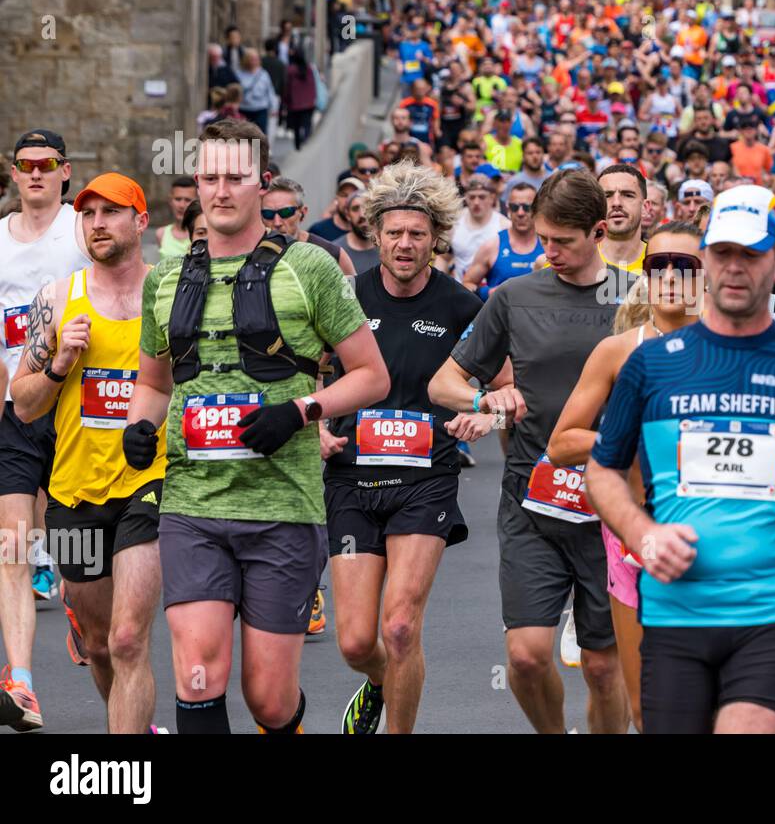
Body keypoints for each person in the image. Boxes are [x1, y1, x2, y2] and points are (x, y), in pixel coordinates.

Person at [123, 118, 389, 734]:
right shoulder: (164, 279)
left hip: (283, 508)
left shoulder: (310, 268)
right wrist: (141, 426)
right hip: (191, 505)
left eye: (235, 178)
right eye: (209, 177)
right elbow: (155, 384)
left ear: (261, 184)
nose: (220, 191)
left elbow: (370, 377)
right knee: (198, 675)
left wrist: (300, 411)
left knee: (268, 699)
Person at [585, 185, 775, 734]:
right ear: (706, 261)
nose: (734, 267)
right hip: (676, 607)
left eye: (751, 253)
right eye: (722, 252)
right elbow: (602, 469)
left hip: (774, 606)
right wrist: (640, 532)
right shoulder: (650, 363)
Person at [429, 168, 631, 734]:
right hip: (531, 498)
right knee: (525, 655)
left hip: (610, 502)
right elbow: (442, 382)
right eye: (543, 239)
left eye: (564, 242)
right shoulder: (513, 296)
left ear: (597, 231)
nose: (550, 252)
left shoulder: (632, 298)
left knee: (602, 666)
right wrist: (490, 396)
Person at [319, 161, 484, 733]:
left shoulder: (462, 306)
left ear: (436, 237)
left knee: (400, 628)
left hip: (425, 478)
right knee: (358, 640)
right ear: (376, 235)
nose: (406, 244)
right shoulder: (344, 296)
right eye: (395, 233)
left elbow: (503, 383)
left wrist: (480, 414)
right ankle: (380, 682)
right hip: (349, 477)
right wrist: (314, 422)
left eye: (417, 233)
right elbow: (305, 369)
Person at [10, 173, 166, 733]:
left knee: (128, 639)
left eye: (112, 212)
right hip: (74, 491)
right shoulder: (57, 301)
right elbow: (23, 406)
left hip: (149, 482)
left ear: (140, 222)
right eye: (89, 214)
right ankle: (132, 723)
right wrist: (56, 363)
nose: (98, 223)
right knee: (100, 646)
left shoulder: (167, 294)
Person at [546, 222, 705, 733]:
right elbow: (562, 441)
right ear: (645, 273)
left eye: (687, 265)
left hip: (719, 541)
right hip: (634, 543)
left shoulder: (736, 349)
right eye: (660, 265)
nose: (673, 276)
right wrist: (627, 438)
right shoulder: (618, 351)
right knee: (647, 709)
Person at [0, 129, 92, 730]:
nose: (36, 173)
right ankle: (21, 682)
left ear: (64, 172)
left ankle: (83, 606)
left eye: (47, 164)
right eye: (26, 165)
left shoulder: (83, 230)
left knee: (78, 553)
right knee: (10, 542)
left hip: (79, 410)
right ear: (13, 173)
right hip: (20, 409)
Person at [462, 182, 543, 300]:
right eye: (515, 207)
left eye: (527, 207)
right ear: (508, 208)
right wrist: (488, 293)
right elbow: (467, 284)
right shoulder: (492, 246)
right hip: (500, 316)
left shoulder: (547, 244)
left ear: (536, 209)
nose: (520, 213)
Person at [262, 177, 356, 276]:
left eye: (286, 212)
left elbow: (353, 290)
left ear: (303, 212)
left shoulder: (332, 254)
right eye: (268, 214)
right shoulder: (251, 254)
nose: (277, 222)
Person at [449, 174, 507, 280]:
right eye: (472, 197)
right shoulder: (454, 222)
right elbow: (443, 258)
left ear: (492, 198)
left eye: (481, 197)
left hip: (491, 291)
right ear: (465, 197)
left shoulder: (504, 225)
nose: (476, 202)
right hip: (460, 289)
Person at [598, 164, 647, 274]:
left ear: (645, 207)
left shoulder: (663, 265)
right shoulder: (574, 261)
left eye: (628, 195)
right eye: (607, 196)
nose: (616, 203)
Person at [308, 176, 365, 242]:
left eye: (354, 195)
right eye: (344, 195)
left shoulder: (371, 232)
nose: (348, 200)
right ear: (336, 198)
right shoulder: (318, 231)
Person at [155, 176, 198, 260]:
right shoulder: (161, 234)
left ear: (196, 202)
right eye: (178, 199)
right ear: (170, 201)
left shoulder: (203, 233)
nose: (182, 205)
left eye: (187, 200)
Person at [283, 48, 318, 151]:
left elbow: (287, 88)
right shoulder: (309, 69)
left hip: (296, 104)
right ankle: (306, 141)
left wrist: (286, 101)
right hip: (309, 102)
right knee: (307, 124)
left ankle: (298, 145)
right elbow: (313, 85)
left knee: (297, 126)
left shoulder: (290, 70)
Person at [340, 189, 380, 275]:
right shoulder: (337, 250)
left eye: (366, 208)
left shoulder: (387, 247)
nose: (362, 214)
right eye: (355, 209)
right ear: (347, 215)